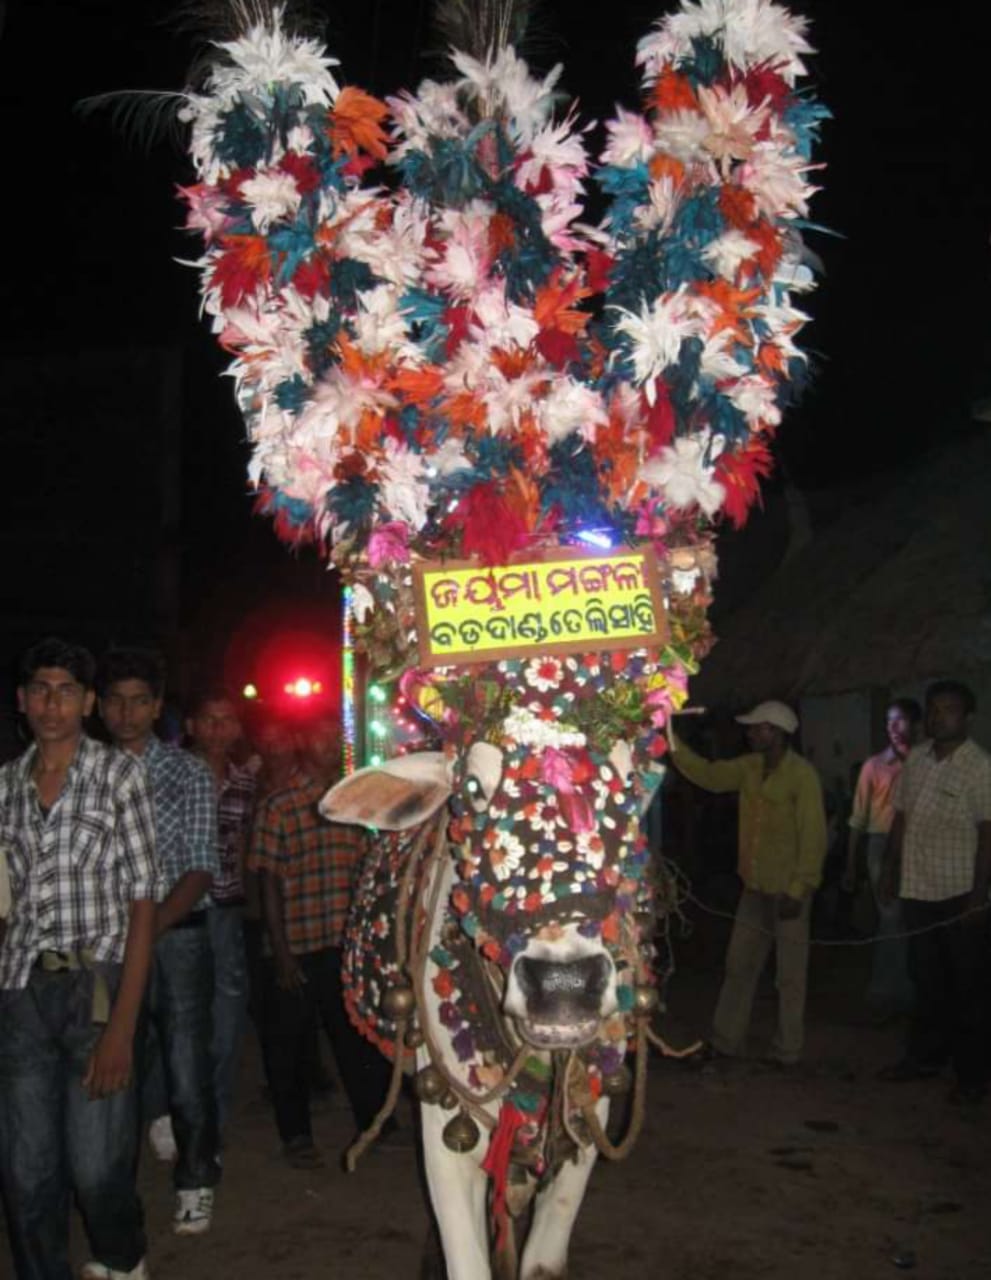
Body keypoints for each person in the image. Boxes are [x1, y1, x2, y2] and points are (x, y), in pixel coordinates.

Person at [0, 638, 157, 1280]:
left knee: (96, 1169)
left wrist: (123, 1024)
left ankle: (123, 1258)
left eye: (67, 691)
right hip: (20, 991)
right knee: (26, 1172)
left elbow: (144, 902)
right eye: (41, 689)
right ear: (22, 699)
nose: (52, 703)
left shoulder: (119, 776)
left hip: (96, 983)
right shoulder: (5, 786)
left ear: (88, 703)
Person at [97, 648, 222, 1235]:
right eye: (115, 700)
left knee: (184, 1059)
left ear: (156, 708)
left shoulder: (188, 772)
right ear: (100, 707)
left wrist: (146, 930)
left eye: (138, 701)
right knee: (115, 1055)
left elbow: (200, 867)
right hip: (104, 941)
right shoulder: (85, 772)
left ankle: (197, 1178)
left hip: (177, 937)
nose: (126, 712)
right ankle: (111, 1178)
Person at [248, 711, 391, 1168]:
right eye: (318, 736)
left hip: (346, 944)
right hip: (298, 941)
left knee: (357, 1038)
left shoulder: (358, 800)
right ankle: (296, 1134)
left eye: (335, 737)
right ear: (301, 741)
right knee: (289, 1044)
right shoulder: (281, 803)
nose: (328, 744)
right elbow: (267, 880)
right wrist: (281, 951)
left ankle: (376, 1122)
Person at [670, 700, 827, 1066]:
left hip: (788, 891)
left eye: (758, 728)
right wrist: (670, 739)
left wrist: (801, 888)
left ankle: (788, 1050)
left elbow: (814, 836)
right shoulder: (750, 768)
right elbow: (708, 775)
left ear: (778, 732)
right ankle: (726, 1041)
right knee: (738, 966)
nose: (750, 733)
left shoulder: (802, 776)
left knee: (789, 977)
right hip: (754, 888)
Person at [879, 681, 991, 1105]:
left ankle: (973, 1076)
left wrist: (980, 894)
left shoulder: (979, 766)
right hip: (918, 888)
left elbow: (988, 833)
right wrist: (890, 869)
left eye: (950, 709)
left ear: (968, 717)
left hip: (960, 892)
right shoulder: (918, 760)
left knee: (969, 986)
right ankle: (924, 1059)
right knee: (925, 980)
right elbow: (901, 818)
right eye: (935, 709)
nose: (940, 716)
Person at [187, 689, 256, 1136]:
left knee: (228, 1014)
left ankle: (213, 1113)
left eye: (226, 719)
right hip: (178, 913)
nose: (217, 728)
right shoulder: (169, 775)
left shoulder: (245, 782)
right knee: (178, 1013)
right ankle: (170, 1110)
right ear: (192, 726)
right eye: (208, 719)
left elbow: (246, 842)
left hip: (227, 909)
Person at [841, 698, 921, 1018]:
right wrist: (850, 863)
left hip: (919, 845)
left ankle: (904, 988)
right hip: (881, 843)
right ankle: (887, 990)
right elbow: (857, 819)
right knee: (890, 917)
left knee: (909, 919)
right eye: (889, 721)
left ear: (915, 724)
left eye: (899, 720)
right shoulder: (874, 766)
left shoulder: (925, 762)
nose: (892, 727)